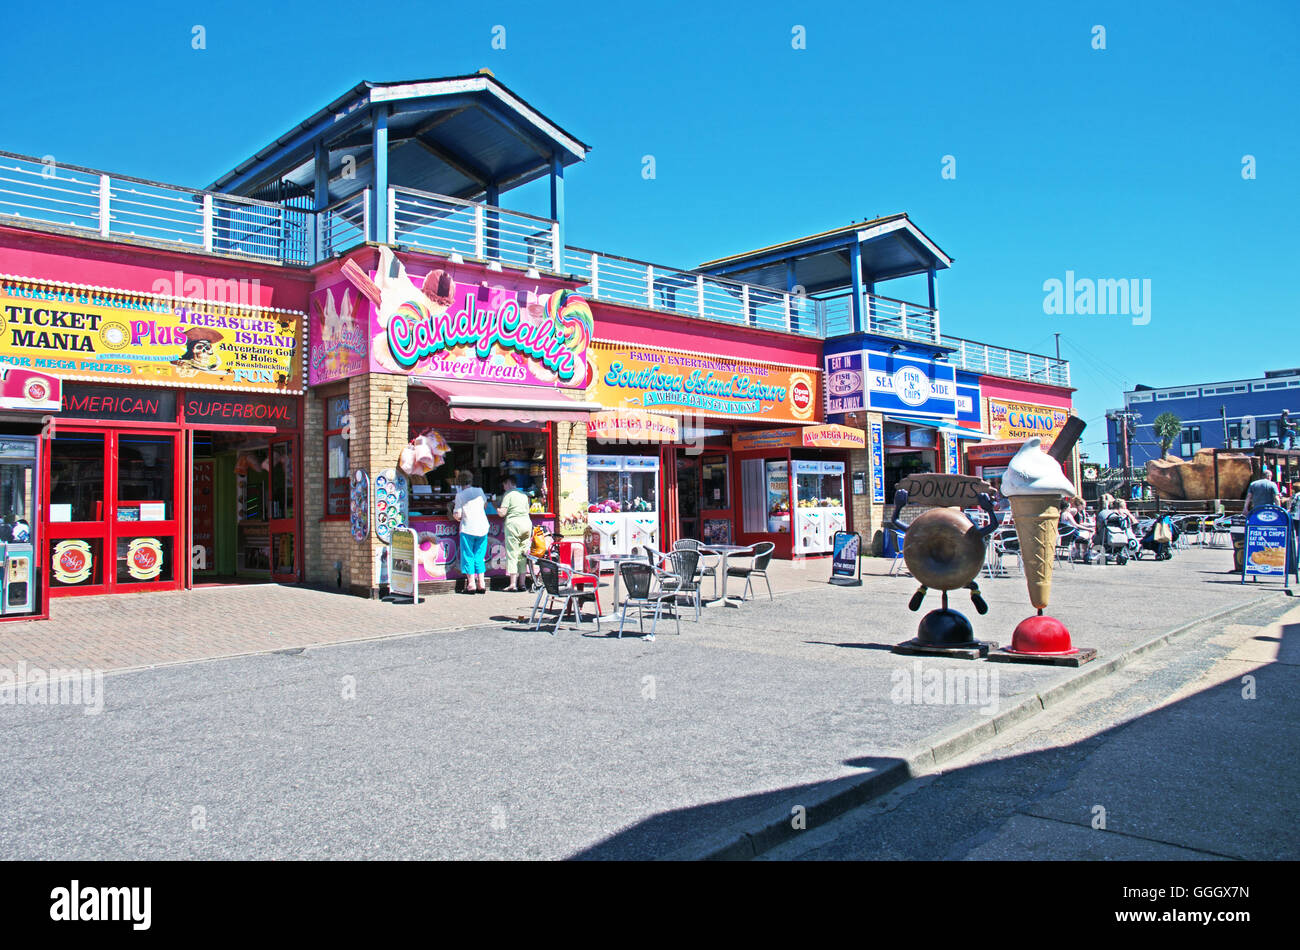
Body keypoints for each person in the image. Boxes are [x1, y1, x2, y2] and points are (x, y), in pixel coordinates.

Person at [452, 470, 494, 593]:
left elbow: (458, 514)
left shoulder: (460, 495)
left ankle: (471, 584)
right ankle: (481, 583)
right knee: (479, 556)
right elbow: (485, 506)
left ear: (459, 482)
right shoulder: (479, 491)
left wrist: (454, 514)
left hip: (468, 528)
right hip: (482, 527)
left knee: (468, 555)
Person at [496, 475, 533, 592]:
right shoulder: (524, 495)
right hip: (527, 524)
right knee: (522, 554)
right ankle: (522, 583)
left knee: (512, 553)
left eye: (504, 484)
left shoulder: (508, 494)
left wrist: (496, 506)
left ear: (508, 483)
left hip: (514, 525)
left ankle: (513, 584)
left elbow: (502, 513)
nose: (503, 487)